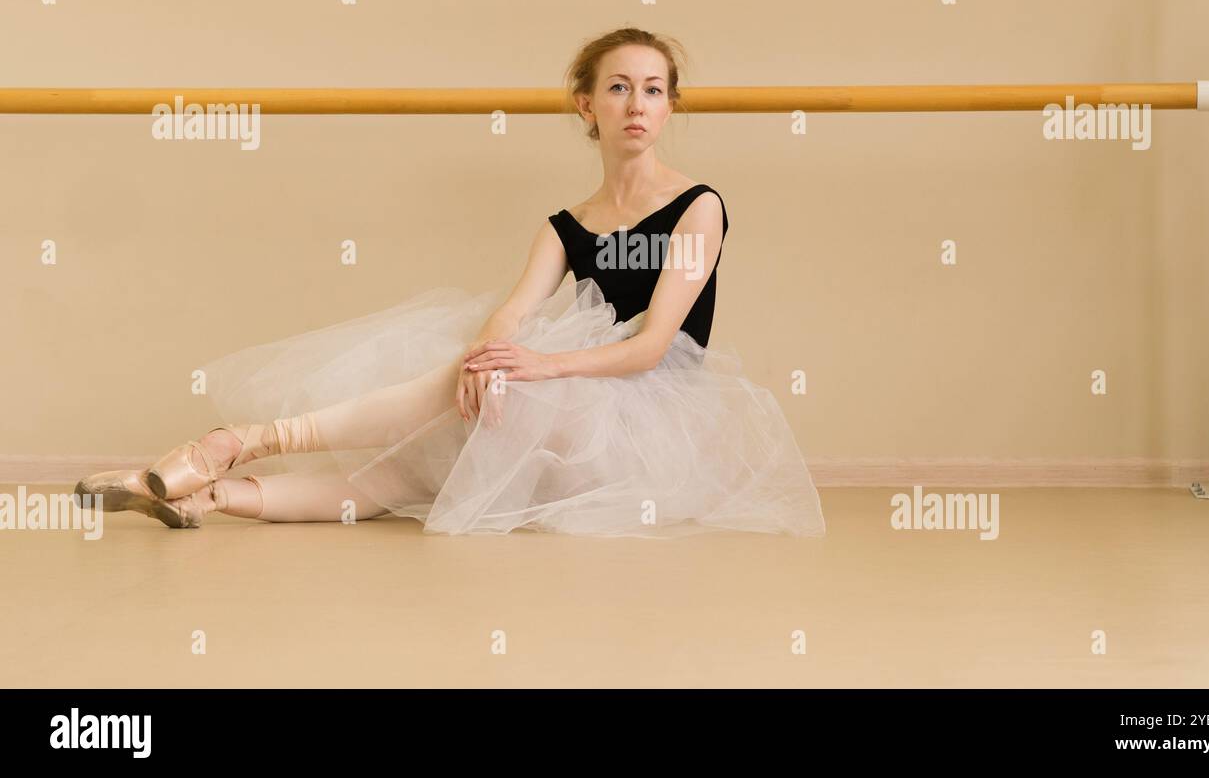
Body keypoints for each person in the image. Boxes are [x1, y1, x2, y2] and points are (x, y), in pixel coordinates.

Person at [76, 27, 826, 538]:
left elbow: (652, 345)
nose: (638, 105)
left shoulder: (698, 210)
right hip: (564, 397)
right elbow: (511, 310)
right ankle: (205, 495)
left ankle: (237, 442)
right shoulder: (568, 223)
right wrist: (484, 358)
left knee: (496, 389)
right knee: (399, 472)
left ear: (670, 106)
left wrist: (535, 364)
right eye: (621, 88)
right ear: (586, 105)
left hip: (646, 426)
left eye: (655, 90)